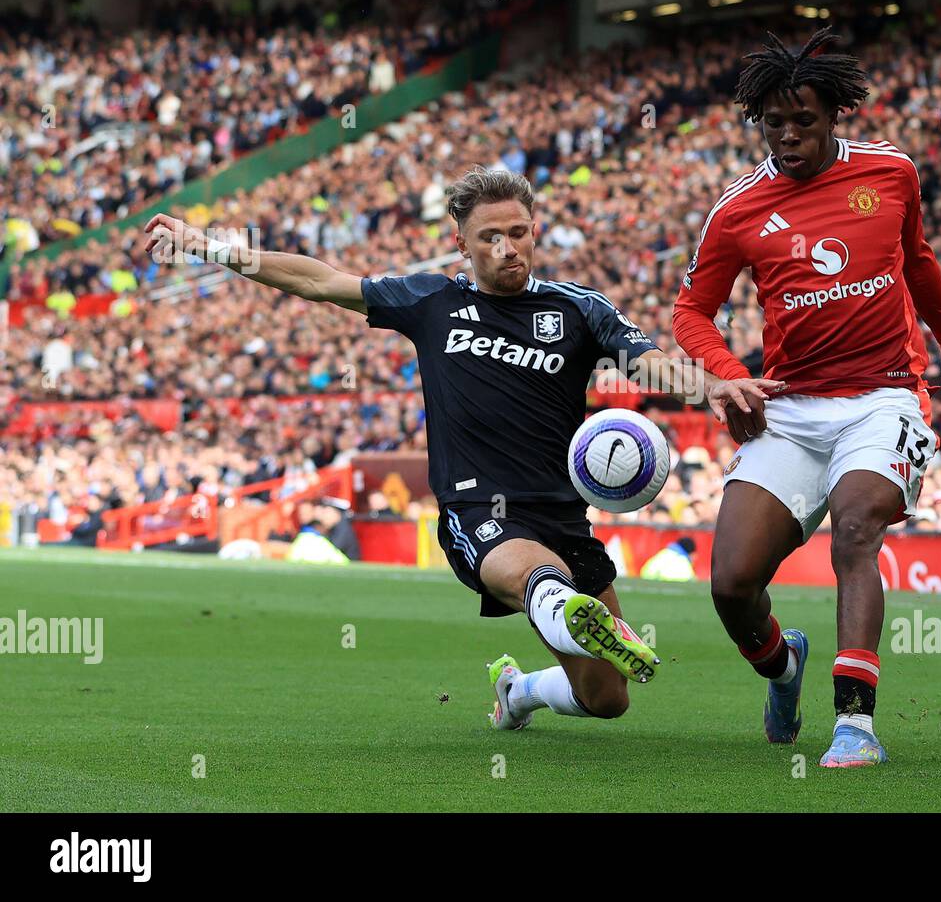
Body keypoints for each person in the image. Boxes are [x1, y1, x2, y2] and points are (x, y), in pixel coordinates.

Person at [144, 166, 756, 733]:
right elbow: (318, 280)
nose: (506, 247)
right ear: (462, 243)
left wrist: (712, 386)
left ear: (535, 231)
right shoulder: (431, 301)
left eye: (518, 232)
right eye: (489, 236)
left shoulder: (578, 309)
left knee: (607, 700)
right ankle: (562, 608)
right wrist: (206, 245)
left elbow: (651, 367)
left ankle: (520, 690)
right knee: (538, 579)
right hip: (480, 514)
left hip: (564, 516)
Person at [672, 27, 941, 769]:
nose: (786, 136)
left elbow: (919, 264)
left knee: (855, 530)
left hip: (884, 398)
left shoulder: (893, 174)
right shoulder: (737, 210)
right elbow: (690, 313)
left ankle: (857, 721)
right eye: (772, 123)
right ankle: (783, 667)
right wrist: (725, 372)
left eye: (802, 121)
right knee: (731, 582)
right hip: (790, 408)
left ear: (834, 115)